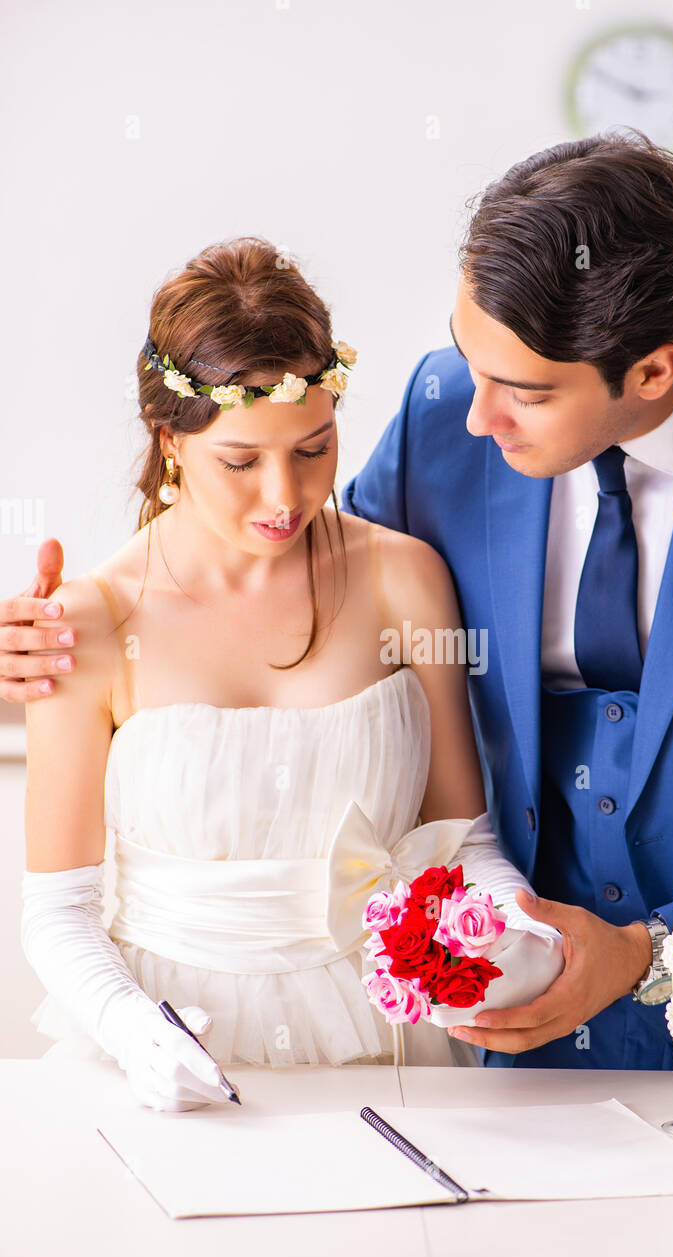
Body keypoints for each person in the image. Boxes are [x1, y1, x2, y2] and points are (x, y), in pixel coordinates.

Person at [340, 130, 673, 1074]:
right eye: (469, 362)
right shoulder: (434, 416)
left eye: (525, 393)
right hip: (508, 1046)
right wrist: (81, 631)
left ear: (655, 371)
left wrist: (647, 953)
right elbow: (305, 616)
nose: (476, 417)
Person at [13, 235, 563, 1110]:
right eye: (242, 461)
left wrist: (517, 930)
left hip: (385, 1038)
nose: (284, 496)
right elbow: (59, 907)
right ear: (171, 440)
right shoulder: (88, 619)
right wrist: (131, 1031)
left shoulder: (402, 578)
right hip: (169, 1036)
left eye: (313, 448)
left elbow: (462, 843)